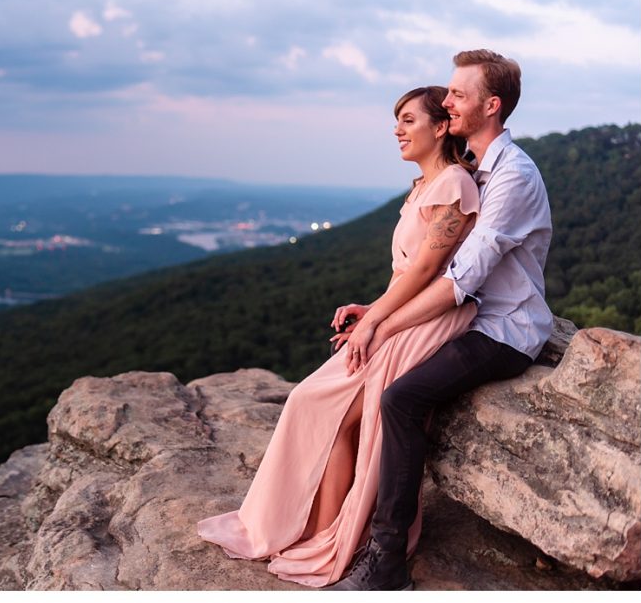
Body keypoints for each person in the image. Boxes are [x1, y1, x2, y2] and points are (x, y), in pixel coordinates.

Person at [196, 84, 481, 588]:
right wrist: (369, 308)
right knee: (312, 403)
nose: (397, 129)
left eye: (409, 120)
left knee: (337, 414)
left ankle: (331, 538)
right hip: (401, 312)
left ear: (440, 128)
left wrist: (375, 324)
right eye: (397, 120)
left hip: (427, 321)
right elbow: (405, 274)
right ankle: (311, 527)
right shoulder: (424, 185)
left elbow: (429, 272)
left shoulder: (454, 184)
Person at [327, 49, 553, 590]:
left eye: (457, 94)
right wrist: (375, 310)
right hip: (466, 317)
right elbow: (430, 267)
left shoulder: (514, 176)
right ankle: (339, 524)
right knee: (357, 372)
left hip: (503, 329)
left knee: (401, 398)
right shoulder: (476, 167)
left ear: (491, 105)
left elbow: (459, 281)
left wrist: (380, 324)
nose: (446, 100)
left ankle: (387, 561)